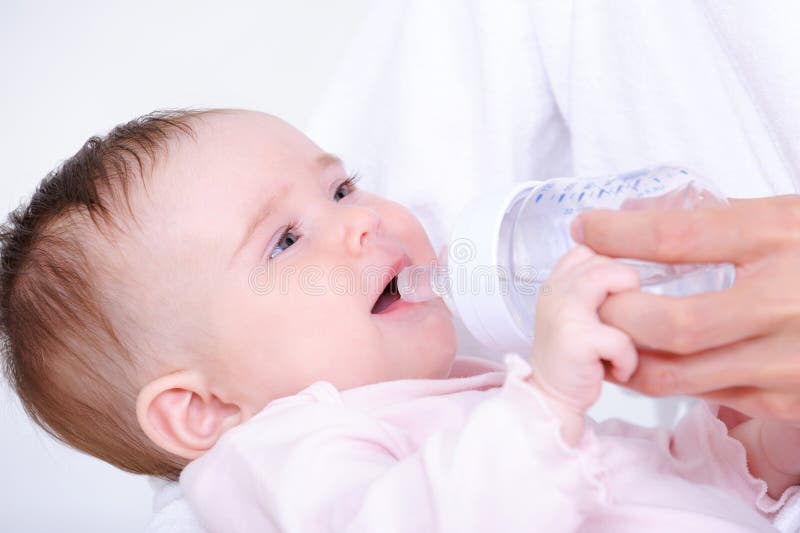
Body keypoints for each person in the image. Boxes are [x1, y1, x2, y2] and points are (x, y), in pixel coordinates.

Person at [2, 108, 798, 532]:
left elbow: (642, 488)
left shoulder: (459, 395)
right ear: (203, 409)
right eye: (284, 240)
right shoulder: (276, 461)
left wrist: (744, 442)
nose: (362, 222)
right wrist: (549, 401)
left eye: (342, 188)